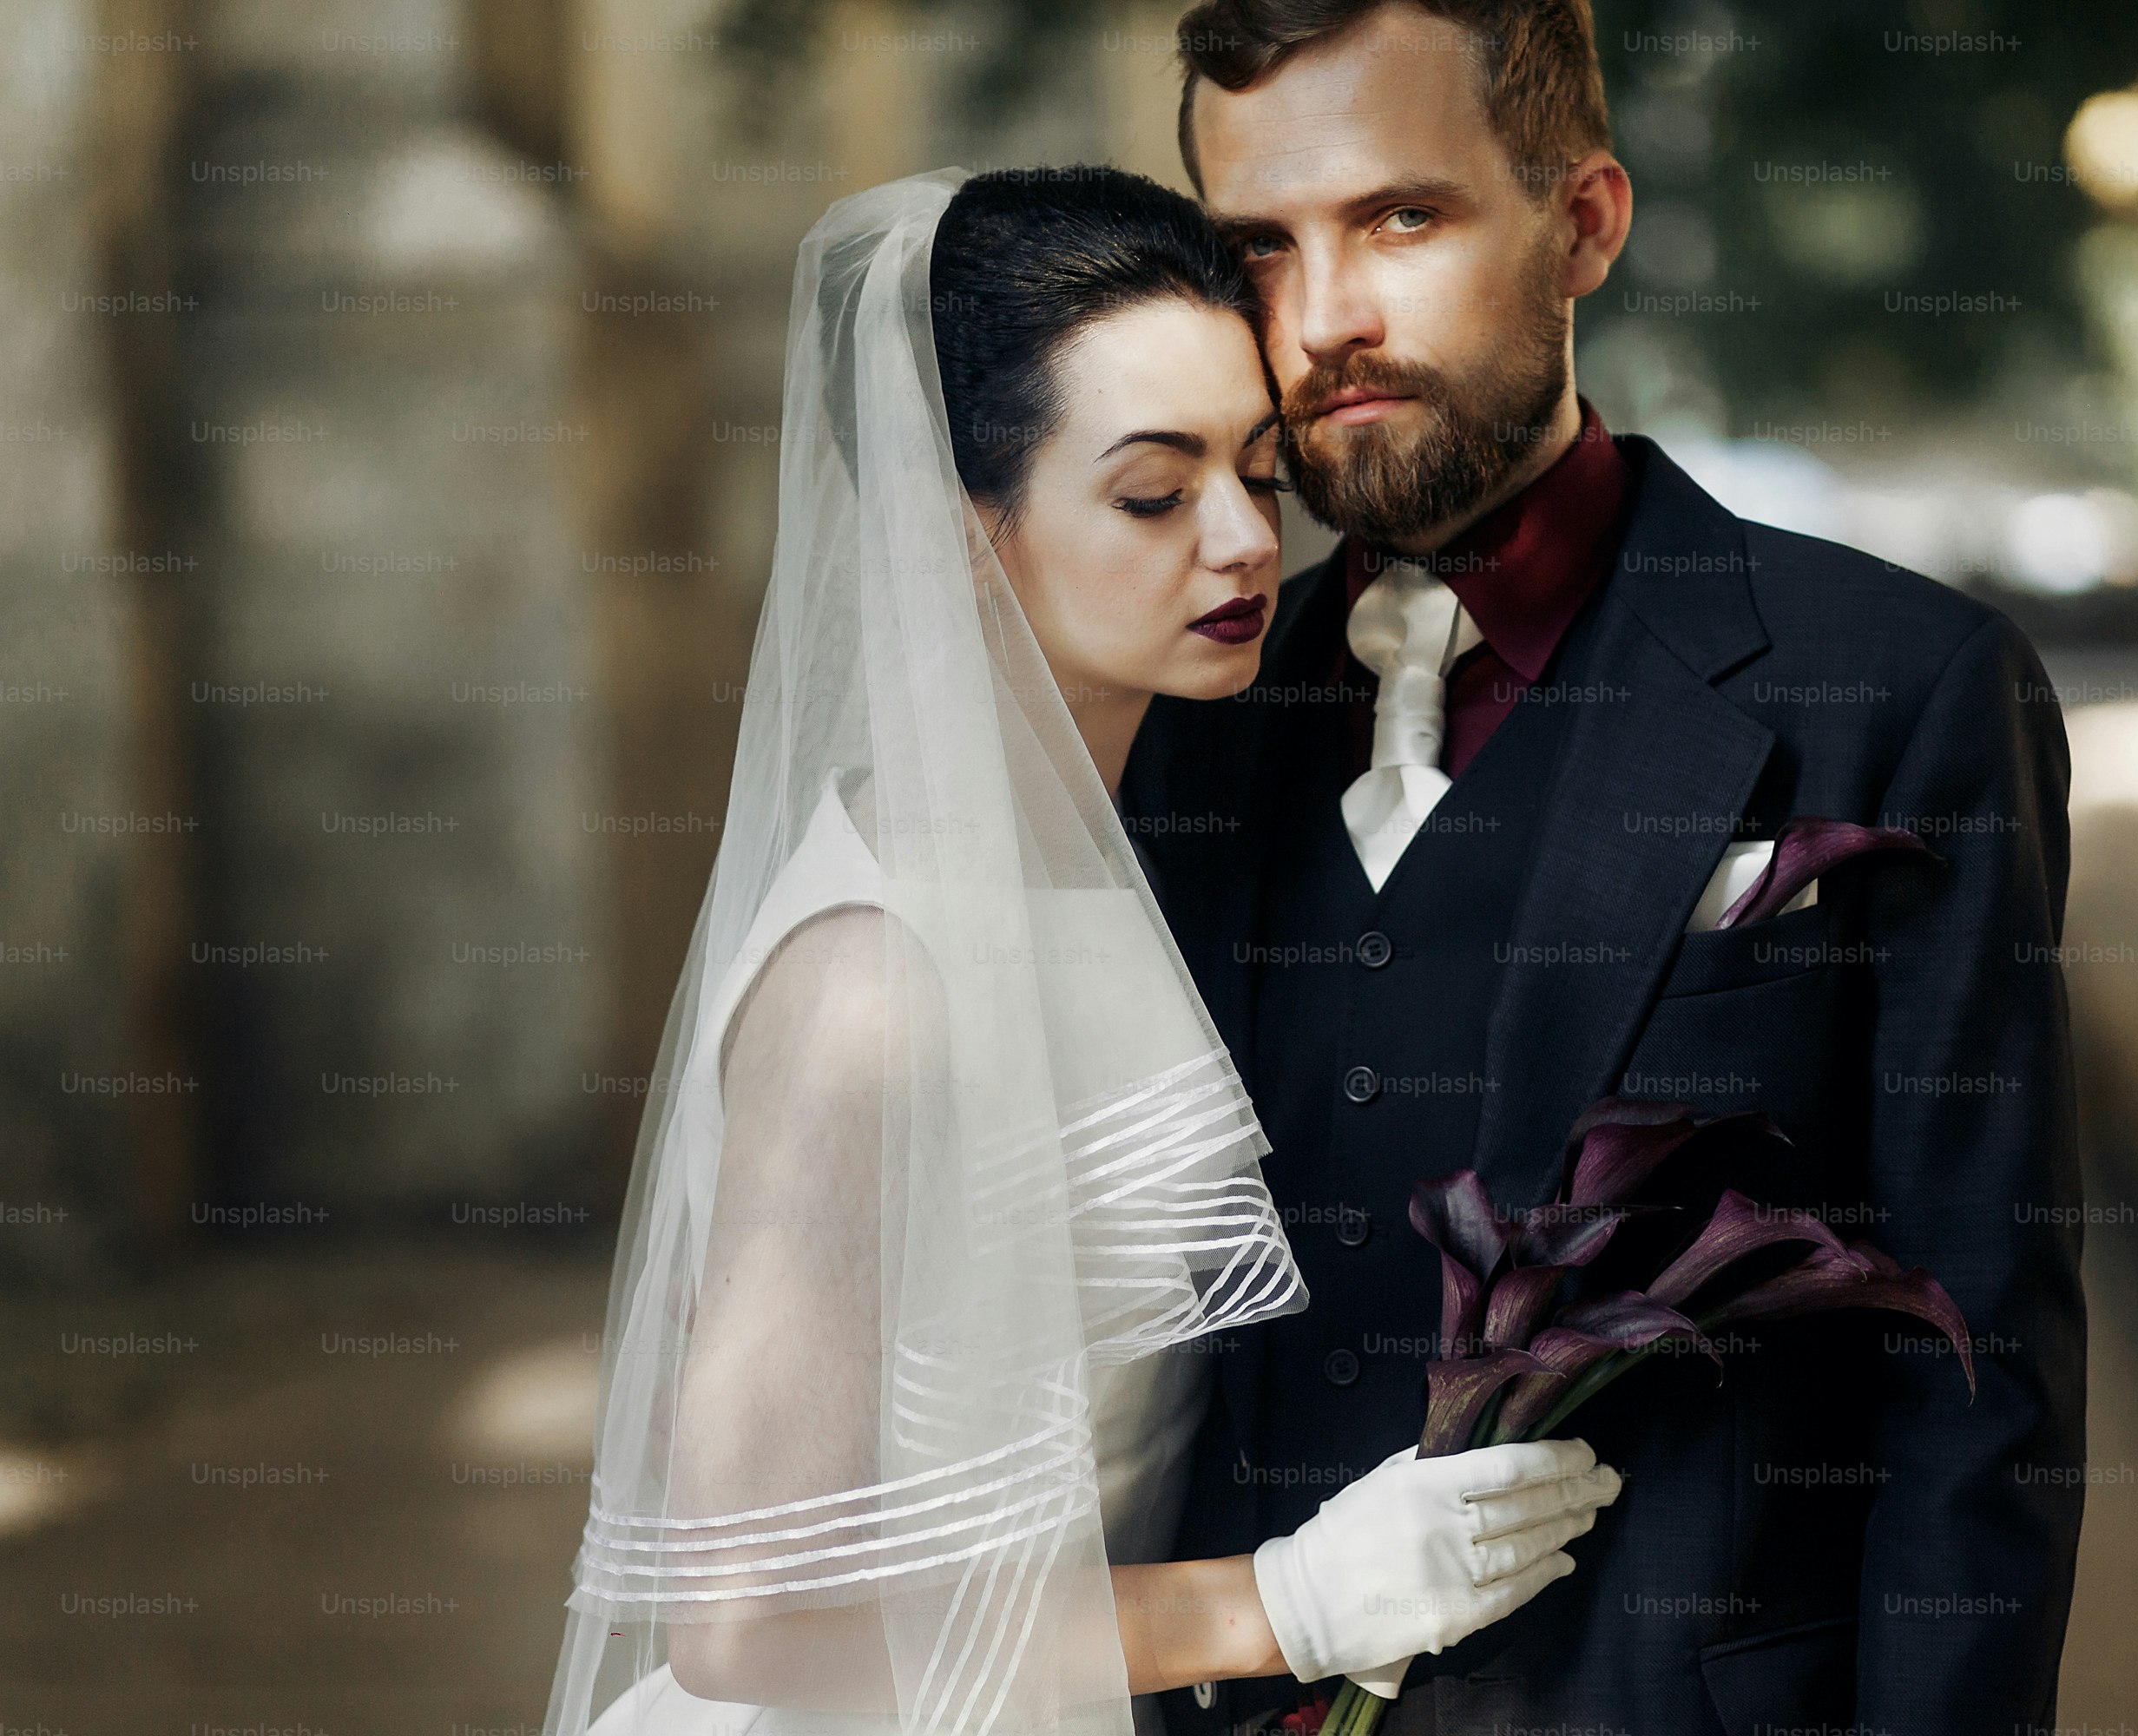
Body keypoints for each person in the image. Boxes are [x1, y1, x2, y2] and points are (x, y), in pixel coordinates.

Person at [541, 167, 1622, 1736]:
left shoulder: (1111, 857)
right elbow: (746, 1621)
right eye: (1152, 493)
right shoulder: (874, 973)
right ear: (959, 527)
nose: (1249, 540)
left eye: (1261, 470)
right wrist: (1281, 1602)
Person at [1124, 4, 2089, 1733]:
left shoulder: (1899, 692)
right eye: (1259, 247)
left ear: (1583, 222)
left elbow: (1980, 1389)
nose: (1324, 317)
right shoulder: (1170, 723)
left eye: (1400, 218)